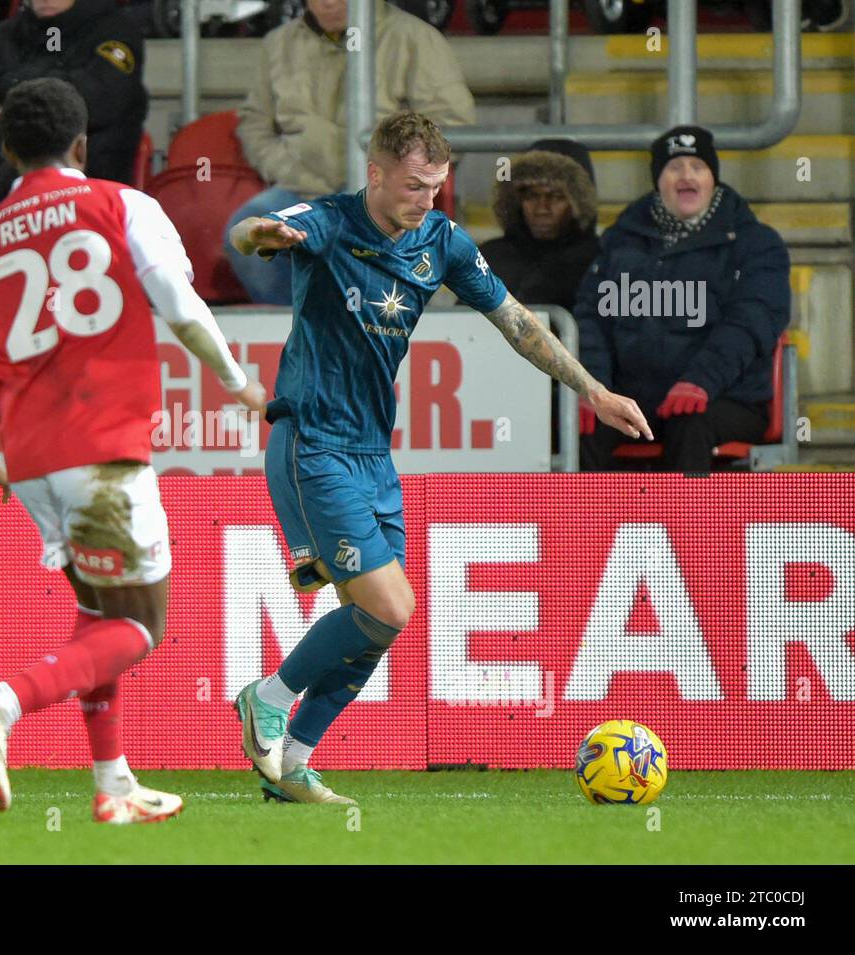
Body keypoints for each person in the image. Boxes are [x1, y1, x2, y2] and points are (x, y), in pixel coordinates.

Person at [227, 110, 651, 804]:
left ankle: (294, 761)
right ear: (375, 172)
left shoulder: (442, 241)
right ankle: (267, 697)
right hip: (313, 440)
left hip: (372, 453)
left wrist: (595, 391)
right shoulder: (330, 222)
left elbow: (517, 322)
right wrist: (267, 234)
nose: (427, 200)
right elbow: (242, 233)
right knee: (390, 606)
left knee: (372, 626)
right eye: (415, 186)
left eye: (437, 187)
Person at [0, 78, 267, 823]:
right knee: (141, 626)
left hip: (31, 464)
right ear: (81, 145)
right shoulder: (122, 204)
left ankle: (113, 783)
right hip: (104, 454)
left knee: (94, 611)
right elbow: (180, 304)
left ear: (8, 150)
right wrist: (239, 384)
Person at [225, 0, 476, 305]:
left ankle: (359, 328)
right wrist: (287, 169)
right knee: (249, 229)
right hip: (299, 189)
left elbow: (451, 126)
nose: (328, 2)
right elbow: (254, 123)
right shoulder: (279, 44)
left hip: (381, 193)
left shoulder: (414, 38)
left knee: (359, 241)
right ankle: (296, 324)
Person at [574, 125, 791, 472]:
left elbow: (754, 320)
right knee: (581, 429)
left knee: (689, 425)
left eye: (697, 167)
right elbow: (590, 319)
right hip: (635, 396)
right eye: (674, 168)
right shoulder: (621, 240)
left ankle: (690, 526)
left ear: (713, 178)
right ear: (658, 180)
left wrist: (701, 381)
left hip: (726, 396)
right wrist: (593, 388)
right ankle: (583, 526)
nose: (685, 176)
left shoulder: (755, 243)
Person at [0, 0, 149, 197]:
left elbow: (95, 103)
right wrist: (15, 118)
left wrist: (8, 98)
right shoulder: (2, 36)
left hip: (86, 186)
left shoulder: (115, 30)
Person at [480, 138, 599, 312]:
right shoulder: (490, 257)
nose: (542, 209)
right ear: (516, 201)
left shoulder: (600, 262)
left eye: (557, 197)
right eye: (532, 196)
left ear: (579, 204)